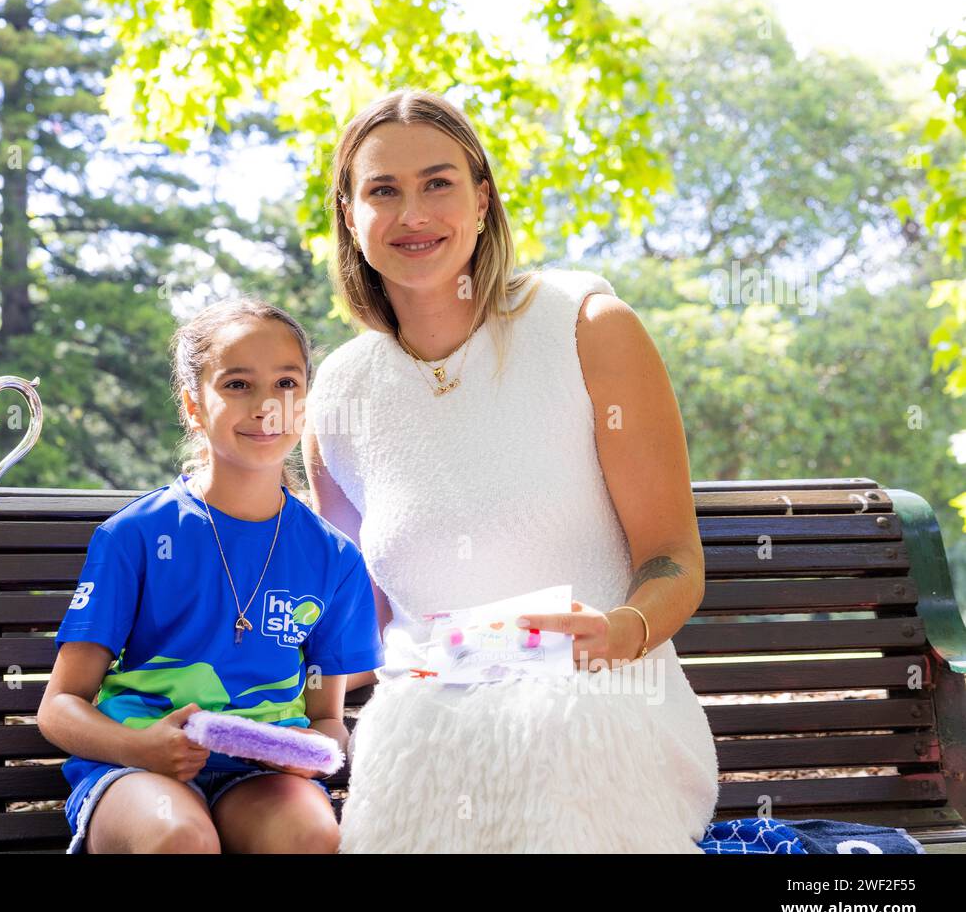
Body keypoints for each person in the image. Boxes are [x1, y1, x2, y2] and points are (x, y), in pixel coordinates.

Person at [302, 89, 720, 852]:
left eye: (438, 183)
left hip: (605, 705)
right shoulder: (337, 394)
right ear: (349, 213)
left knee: (548, 749)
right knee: (411, 754)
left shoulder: (587, 327)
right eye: (382, 191)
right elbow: (353, 626)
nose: (413, 214)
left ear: (483, 198)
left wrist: (621, 632)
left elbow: (675, 559)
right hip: (431, 733)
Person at [38, 296, 384, 853]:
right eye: (238, 385)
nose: (267, 405)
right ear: (194, 406)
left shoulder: (334, 558)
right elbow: (59, 708)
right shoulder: (136, 535)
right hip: (136, 769)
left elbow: (327, 720)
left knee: (310, 834)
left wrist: (302, 752)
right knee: (179, 836)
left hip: (261, 779)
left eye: (288, 384)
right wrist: (142, 747)